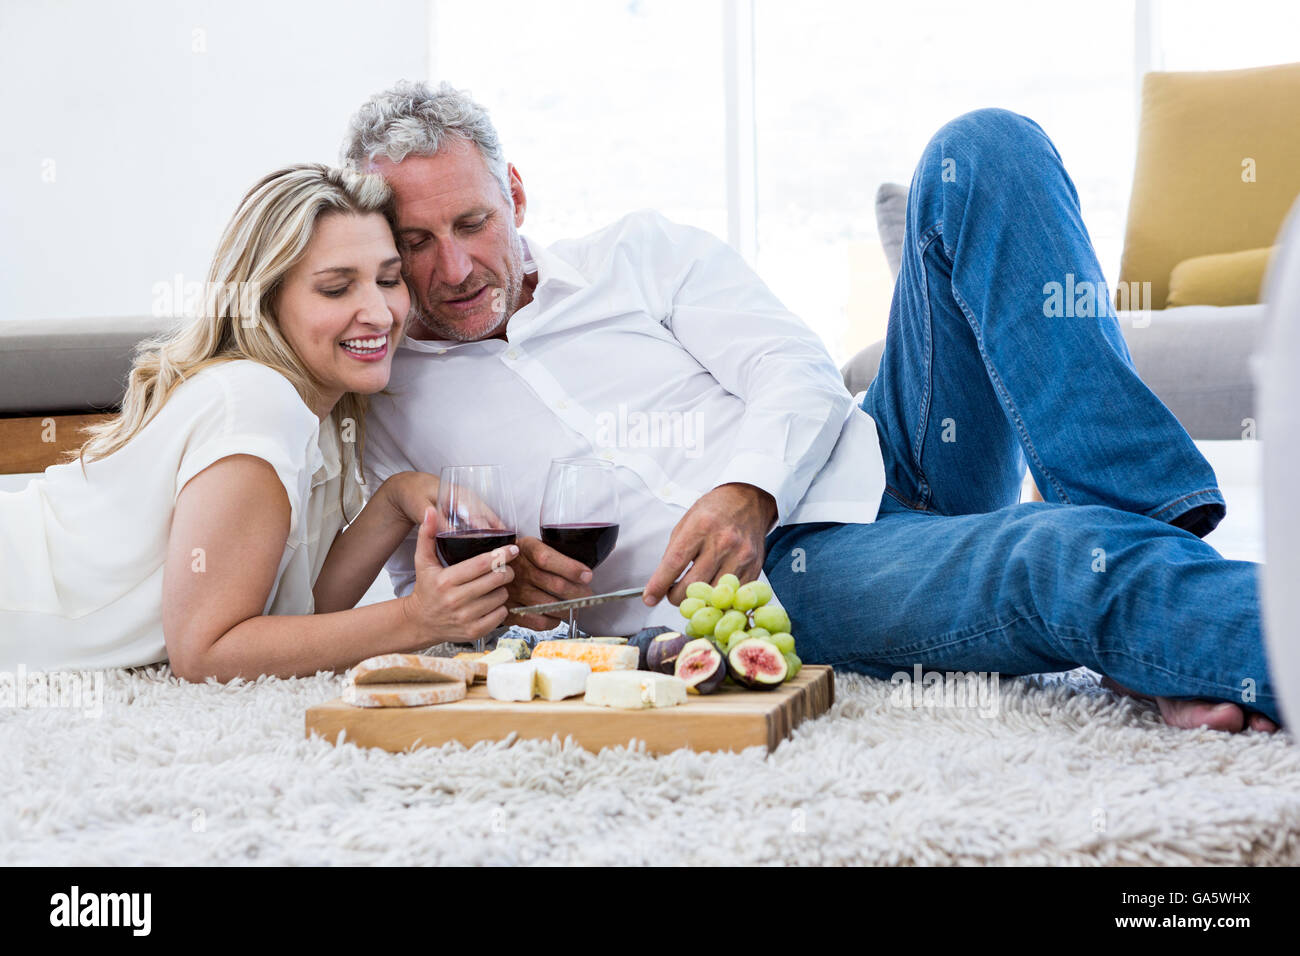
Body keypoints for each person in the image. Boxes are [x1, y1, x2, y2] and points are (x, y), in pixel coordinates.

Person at [346, 80, 1280, 732]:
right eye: (418, 242)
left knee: (983, 148)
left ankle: (1162, 585)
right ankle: (1175, 616)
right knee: (1061, 556)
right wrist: (517, 606)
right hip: (782, 585)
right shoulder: (388, 399)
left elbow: (792, 365)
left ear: (513, 196)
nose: (456, 267)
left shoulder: (636, 254)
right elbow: (426, 600)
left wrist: (750, 487)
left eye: (472, 224)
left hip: (887, 448)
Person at [0, 164, 516, 680]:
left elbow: (292, 615)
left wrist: (397, 499)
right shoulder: (256, 400)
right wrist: (416, 619)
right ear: (264, 302)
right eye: (336, 289)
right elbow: (207, 651)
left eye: (388, 279)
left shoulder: (323, 410)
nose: (380, 314)